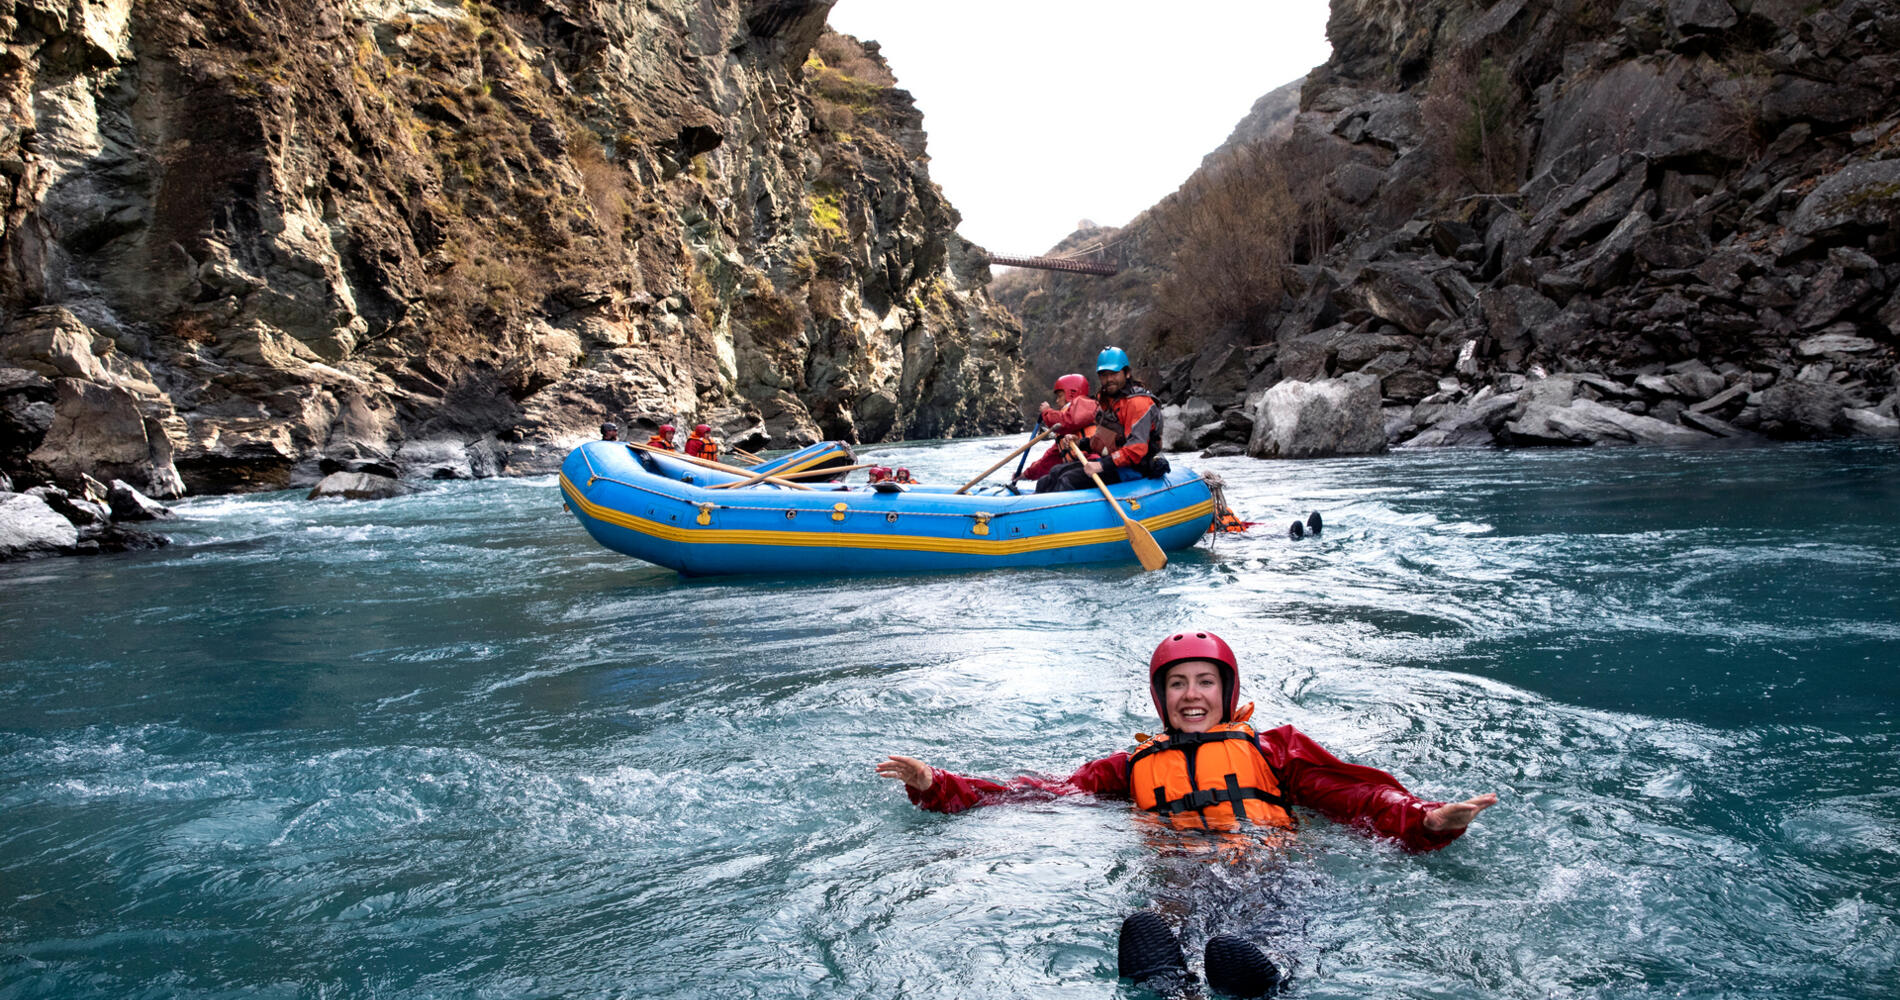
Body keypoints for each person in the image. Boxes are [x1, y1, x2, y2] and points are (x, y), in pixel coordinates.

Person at [877, 630, 1497, 996]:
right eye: (1177, 684)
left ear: (1226, 692)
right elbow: (1039, 795)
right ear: (1161, 698)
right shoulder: (1129, 764)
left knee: (1255, 919)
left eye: (1205, 681)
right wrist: (940, 785)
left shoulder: (1273, 748)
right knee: (1165, 910)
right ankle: (1169, 984)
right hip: (1182, 866)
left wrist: (1423, 820)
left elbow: (1356, 798)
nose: (1192, 694)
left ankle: (1266, 977)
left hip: (1266, 863)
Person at [1034, 347, 1166, 494]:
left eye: (1114, 374)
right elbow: (1101, 441)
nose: (1109, 379)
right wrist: (1080, 442)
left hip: (1136, 467)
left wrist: (1101, 465)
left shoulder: (1139, 403)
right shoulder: (1107, 402)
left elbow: (1136, 450)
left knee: (1068, 480)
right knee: (1054, 474)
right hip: (1115, 463)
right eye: (1103, 375)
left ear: (1127, 373)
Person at [1015, 374, 1099, 486]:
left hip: (1095, 463)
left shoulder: (1086, 404)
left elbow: (1068, 421)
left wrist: (1047, 412)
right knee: (1044, 483)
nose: (1057, 401)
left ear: (1072, 393)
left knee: (1062, 477)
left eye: (1060, 396)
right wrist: (1026, 475)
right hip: (1076, 466)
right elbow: (1049, 460)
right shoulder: (1064, 434)